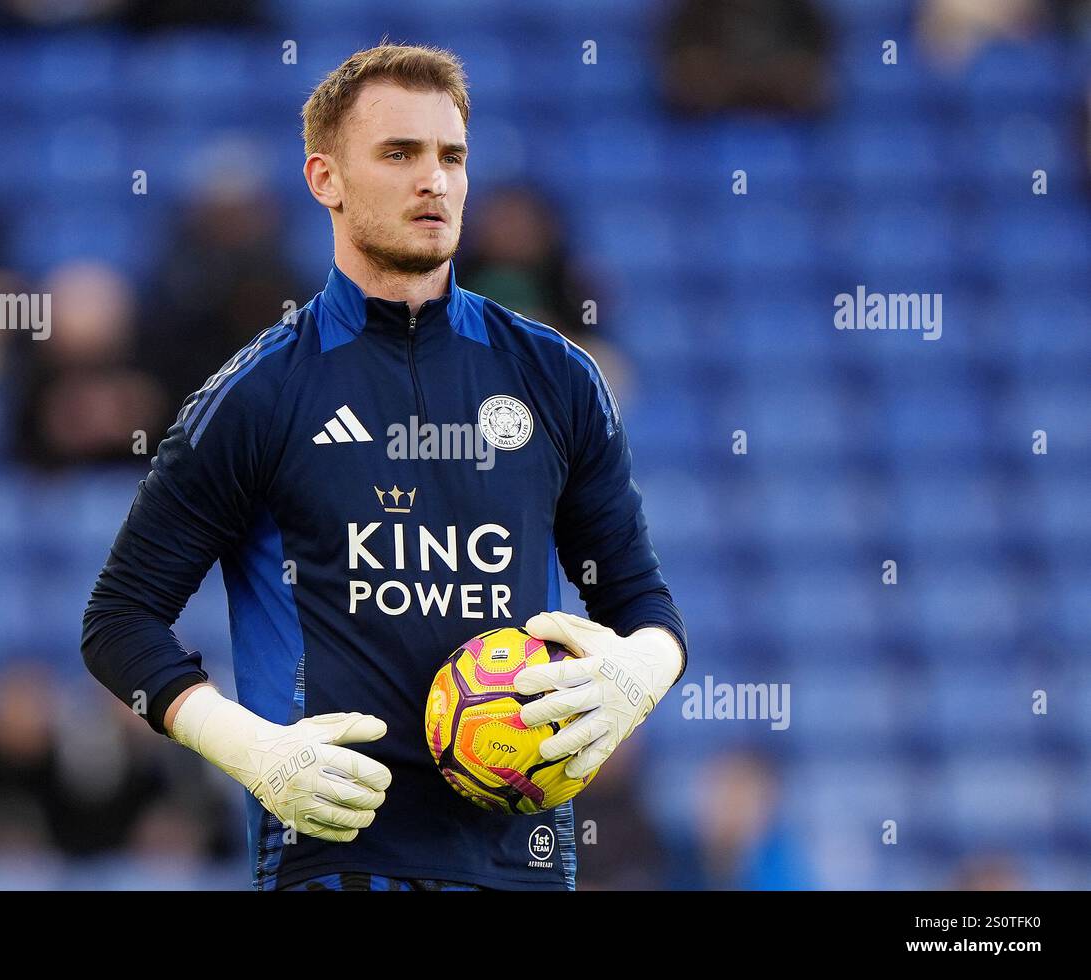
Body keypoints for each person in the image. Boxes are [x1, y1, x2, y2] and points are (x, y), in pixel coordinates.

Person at [82, 42, 688, 891]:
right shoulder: (262, 392)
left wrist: (643, 670)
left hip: (522, 868)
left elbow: (642, 603)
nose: (433, 179)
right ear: (324, 178)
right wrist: (251, 749)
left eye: (452, 156)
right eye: (399, 154)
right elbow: (118, 621)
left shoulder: (557, 378)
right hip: (336, 864)